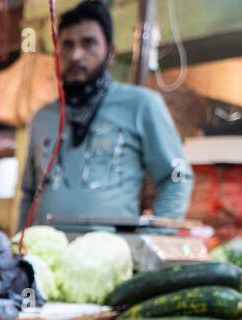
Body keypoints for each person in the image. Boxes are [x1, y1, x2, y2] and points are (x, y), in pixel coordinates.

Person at [18, 0, 192, 231]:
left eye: (88, 43)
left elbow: (178, 175)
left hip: (112, 260)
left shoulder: (141, 105)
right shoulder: (43, 117)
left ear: (110, 53)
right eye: (67, 45)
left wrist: (151, 238)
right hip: (46, 260)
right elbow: (29, 193)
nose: (76, 55)